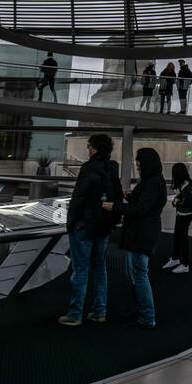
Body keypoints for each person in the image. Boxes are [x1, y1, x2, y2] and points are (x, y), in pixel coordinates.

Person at [58, 133, 122, 326]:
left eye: (89, 146)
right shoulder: (112, 167)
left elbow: (79, 198)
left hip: (84, 226)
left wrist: (70, 223)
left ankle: (75, 314)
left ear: (94, 148)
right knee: (100, 269)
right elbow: (117, 194)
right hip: (102, 227)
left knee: (81, 270)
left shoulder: (88, 168)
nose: (88, 149)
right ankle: (99, 311)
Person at [120, 148, 166, 329]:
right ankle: (142, 311)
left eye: (139, 164)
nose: (137, 167)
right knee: (135, 273)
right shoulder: (152, 181)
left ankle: (147, 316)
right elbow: (144, 203)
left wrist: (115, 206)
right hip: (143, 232)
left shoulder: (152, 182)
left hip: (142, 233)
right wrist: (132, 196)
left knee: (139, 274)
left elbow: (140, 209)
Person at [163, 163, 192, 273]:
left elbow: (185, 203)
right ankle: (176, 258)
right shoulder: (183, 184)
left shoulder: (187, 186)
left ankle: (185, 264)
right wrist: (177, 201)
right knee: (177, 236)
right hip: (181, 214)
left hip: (186, 215)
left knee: (183, 238)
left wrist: (175, 202)